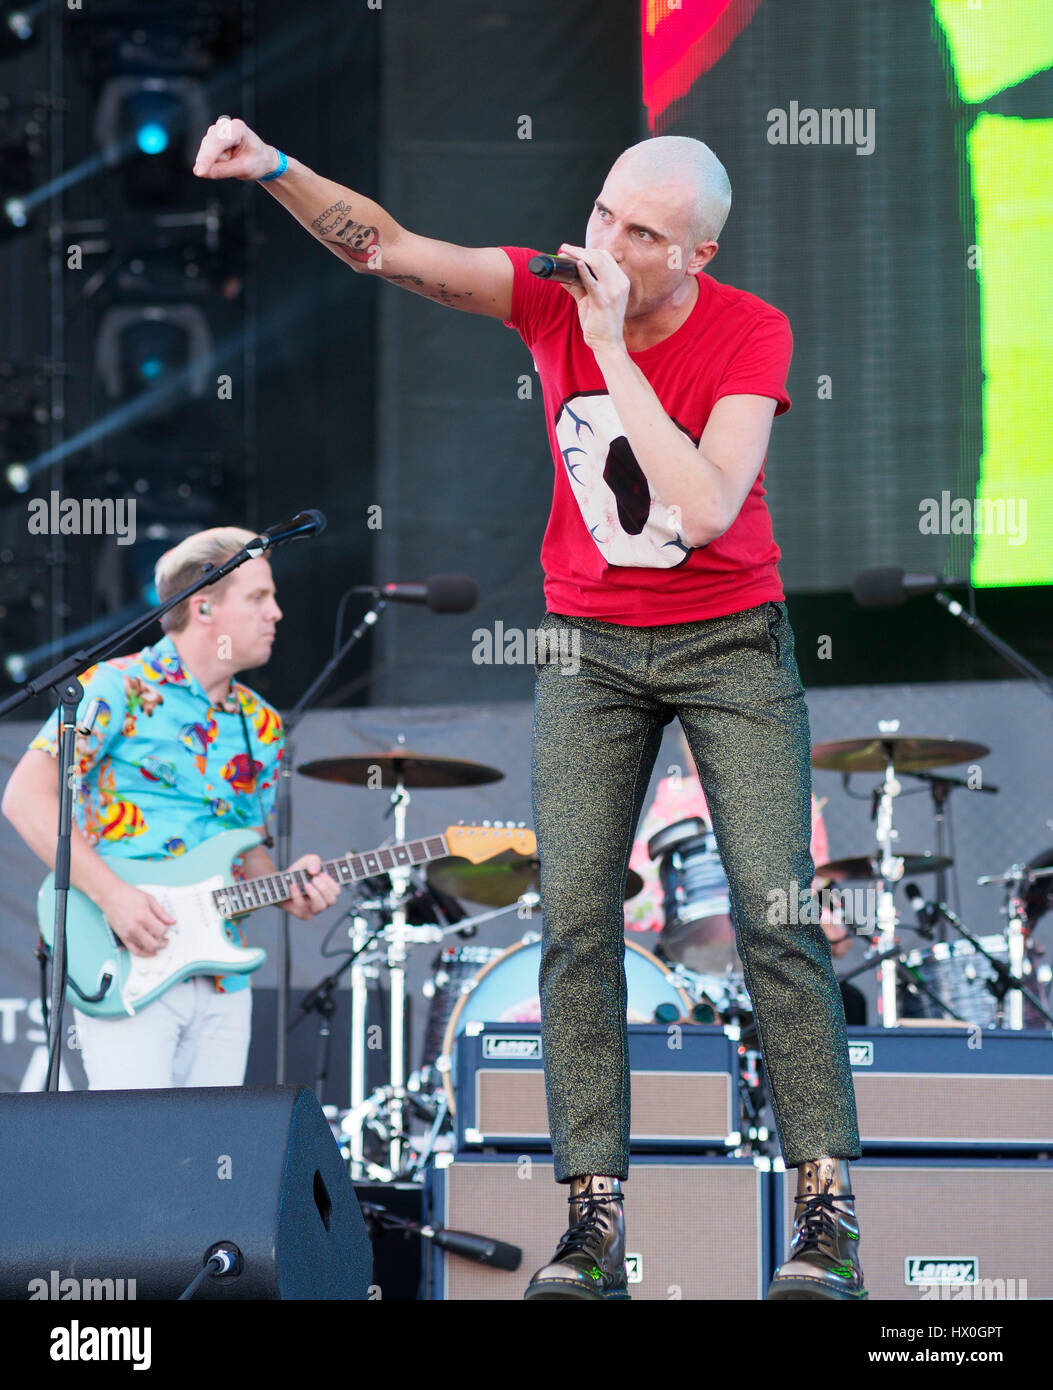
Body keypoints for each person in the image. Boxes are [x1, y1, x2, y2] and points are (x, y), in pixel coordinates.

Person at [190, 121, 865, 1301]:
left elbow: (704, 507)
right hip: (593, 649)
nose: (606, 240)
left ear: (696, 254)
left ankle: (825, 1218)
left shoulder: (750, 330)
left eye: (643, 231)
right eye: (604, 211)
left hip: (730, 643)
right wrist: (277, 170)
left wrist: (611, 349)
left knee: (776, 917)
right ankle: (591, 1222)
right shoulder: (550, 295)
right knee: (575, 930)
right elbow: (389, 250)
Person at [2, 527, 340, 1089]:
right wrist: (113, 898)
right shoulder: (116, 686)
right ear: (203, 605)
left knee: (212, 1165)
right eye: (258, 597)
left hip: (222, 978)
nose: (276, 613)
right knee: (135, 1155)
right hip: (125, 956)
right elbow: (26, 797)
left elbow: (247, 854)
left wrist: (291, 888)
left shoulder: (262, 723)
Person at [626, 729, 867, 1023]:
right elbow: (636, 898)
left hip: (777, 955)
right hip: (693, 969)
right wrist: (687, 915)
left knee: (849, 1001)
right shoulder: (676, 798)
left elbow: (818, 886)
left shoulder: (795, 799)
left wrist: (828, 923)